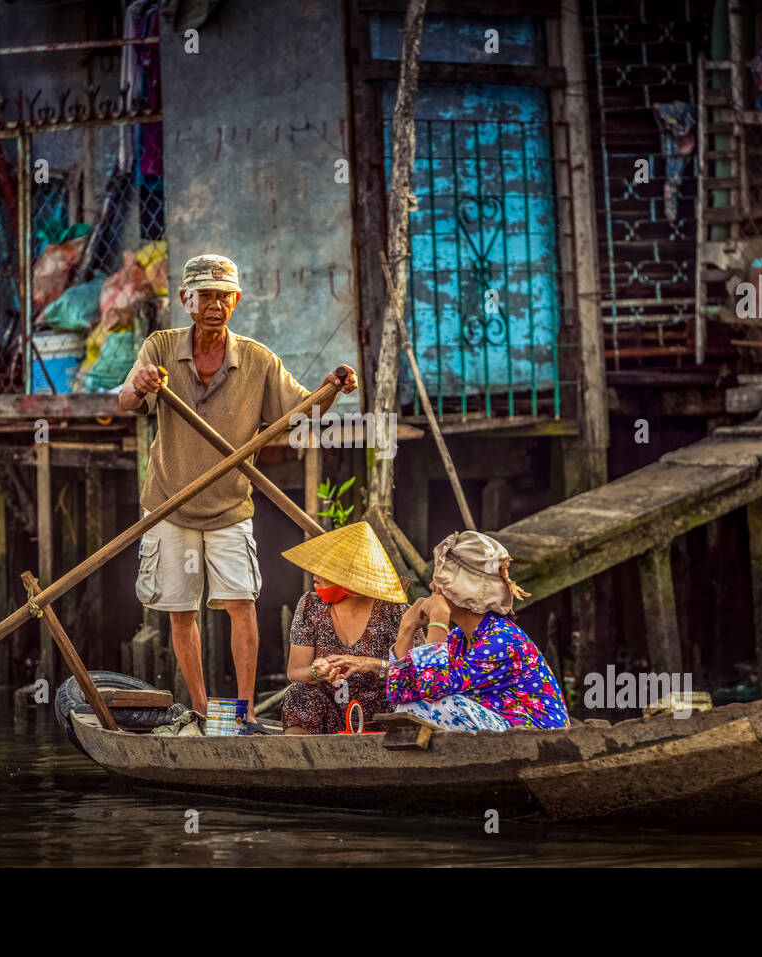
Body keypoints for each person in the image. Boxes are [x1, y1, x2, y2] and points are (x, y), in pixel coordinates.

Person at [119, 253, 358, 733]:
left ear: (236, 301)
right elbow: (128, 400)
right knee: (181, 610)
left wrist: (332, 386)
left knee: (241, 604)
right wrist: (141, 382)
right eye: (205, 295)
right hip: (169, 502)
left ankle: (244, 713)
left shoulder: (256, 359)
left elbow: (302, 412)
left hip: (229, 505)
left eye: (224, 296)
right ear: (187, 300)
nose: (215, 305)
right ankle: (205, 710)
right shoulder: (161, 346)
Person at [386, 531, 569, 732]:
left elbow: (435, 688)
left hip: (537, 738)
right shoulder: (458, 639)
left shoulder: (502, 640)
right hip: (496, 731)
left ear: (463, 590)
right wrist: (407, 628)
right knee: (409, 709)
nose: (432, 586)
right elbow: (401, 693)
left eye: (440, 580)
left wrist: (438, 620)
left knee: (449, 706)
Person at [278, 522, 421, 734]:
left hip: (383, 716)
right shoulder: (310, 605)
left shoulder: (396, 612)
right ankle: (299, 762)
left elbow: (420, 674)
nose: (315, 576)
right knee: (298, 693)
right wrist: (317, 672)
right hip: (330, 713)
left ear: (353, 584)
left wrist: (372, 664)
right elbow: (295, 671)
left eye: (327, 571)